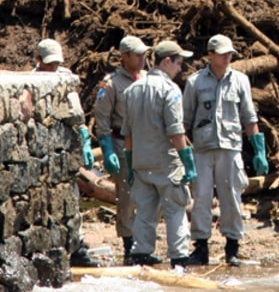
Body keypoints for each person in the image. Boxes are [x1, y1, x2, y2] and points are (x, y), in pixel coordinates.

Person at [181, 34, 269, 266]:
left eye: (230, 53)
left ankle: (233, 248)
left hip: (230, 148)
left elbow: (249, 117)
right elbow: (185, 120)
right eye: (223, 53)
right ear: (210, 55)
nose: (228, 57)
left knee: (232, 197)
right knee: (201, 198)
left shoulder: (240, 80)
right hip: (202, 149)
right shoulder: (195, 82)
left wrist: (259, 149)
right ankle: (200, 248)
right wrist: (182, 153)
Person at [122, 40, 198, 269]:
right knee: (175, 209)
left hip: (141, 163)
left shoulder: (131, 90)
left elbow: (127, 134)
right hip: (166, 163)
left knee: (145, 211)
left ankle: (141, 257)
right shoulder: (170, 90)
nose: (180, 69)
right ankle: (179, 260)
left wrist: (130, 163)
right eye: (179, 63)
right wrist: (188, 162)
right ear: (167, 61)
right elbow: (176, 132)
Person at [32, 38, 100, 268]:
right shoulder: (30, 83)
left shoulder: (65, 79)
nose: (53, 68)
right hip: (40, 150)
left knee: (71, 198)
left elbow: (78, 116)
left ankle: (77, 247)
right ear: (38, 60)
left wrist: (85, 141)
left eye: (56, 63)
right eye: (49, 63)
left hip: (65, 148)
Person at [93, 35, 159, 265]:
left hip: (147, 143)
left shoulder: (149, 79)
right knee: (128, 195)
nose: (143, 58)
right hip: (122, 143)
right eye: (138, 54)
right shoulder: (111, 84)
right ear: (125, 57)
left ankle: (146, 245)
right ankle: (130, 247)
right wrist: (108, 149)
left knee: (150, 194)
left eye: (144, 54)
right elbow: (101, 120)